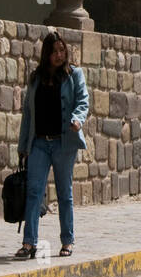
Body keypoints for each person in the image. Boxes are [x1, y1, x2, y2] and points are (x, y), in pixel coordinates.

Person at [15, 33, 89, 260]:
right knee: (34, 192)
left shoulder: (74, 74)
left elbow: (83, 101)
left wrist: (77, 119)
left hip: (63, 143)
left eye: (62, 50)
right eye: (55, 51)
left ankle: (67, 241)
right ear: (47, 54)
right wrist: (23, 146)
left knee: (64, 194)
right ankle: (29, 243)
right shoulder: (36, 78)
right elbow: (28, 113)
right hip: (39, 142)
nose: (59, 55)